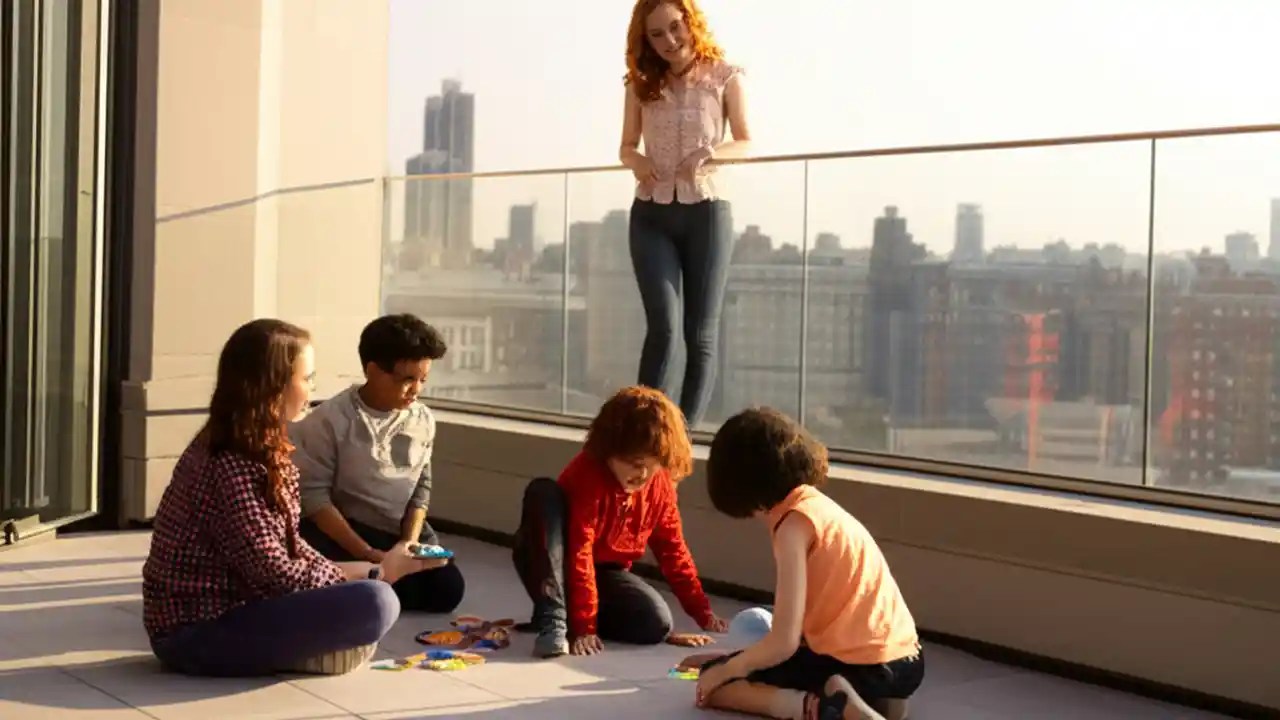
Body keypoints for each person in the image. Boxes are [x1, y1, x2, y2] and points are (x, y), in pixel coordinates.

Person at [142, 319, 446, 677]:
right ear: (271, 387)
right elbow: (276, 574)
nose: (311, 390)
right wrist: (377, 572)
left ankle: (309, 647)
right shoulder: (231, 460)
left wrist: (376, 568)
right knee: (375, 602)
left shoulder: (262, 445)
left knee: (380, 590)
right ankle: (306, 650)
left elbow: (290, 550)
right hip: (195, 631)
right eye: (307, 379)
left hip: (246, 603)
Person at [694, 408, 925, 720]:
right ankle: (873, 700)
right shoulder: (821, 508)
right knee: (737, 665)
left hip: (858, 666)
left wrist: (726, 669)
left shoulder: (791, 527)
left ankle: (821, 707)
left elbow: (784, 643)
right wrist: (736, 657)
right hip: (906, 666)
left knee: (714, 682)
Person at [511, 385, 729, 658]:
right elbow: (580, 552)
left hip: (605, 572)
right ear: (609, 452)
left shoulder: (659, 485)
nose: (643, 475)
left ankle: (572, 616)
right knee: (542, 492)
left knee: (656, 622)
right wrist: (584, 627)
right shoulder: (587, 473)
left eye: (652, 466)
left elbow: (674, 551)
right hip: (555, 560)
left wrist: (703, 612)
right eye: (634, 464)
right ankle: (554, 618)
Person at [620, 0, 752, 428]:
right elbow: (626, 147)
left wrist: (711, 153)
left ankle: (681, 441)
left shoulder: (725, 77)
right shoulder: (641, 84)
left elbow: (746, 141)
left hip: (707, 214)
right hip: (650, 214)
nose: (669, 41)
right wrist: (637, 162)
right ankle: (641, 436)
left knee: (700, 335)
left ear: (691, 23)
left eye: (675, 28)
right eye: (656, 35)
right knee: (663, 329)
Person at [293, 314, 465, 614]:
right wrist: (370, 554)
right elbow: (315, 500)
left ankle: (373, 583)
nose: (416, 390)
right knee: (317, 560)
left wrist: (407, 546)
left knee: (448, 589)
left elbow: (420, 489)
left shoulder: (423, 419)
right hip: (344, 529)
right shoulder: (330, 421)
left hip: (396, 531)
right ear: (373, 371)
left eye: (423, 380)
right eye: (407, 379)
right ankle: (368, 581)